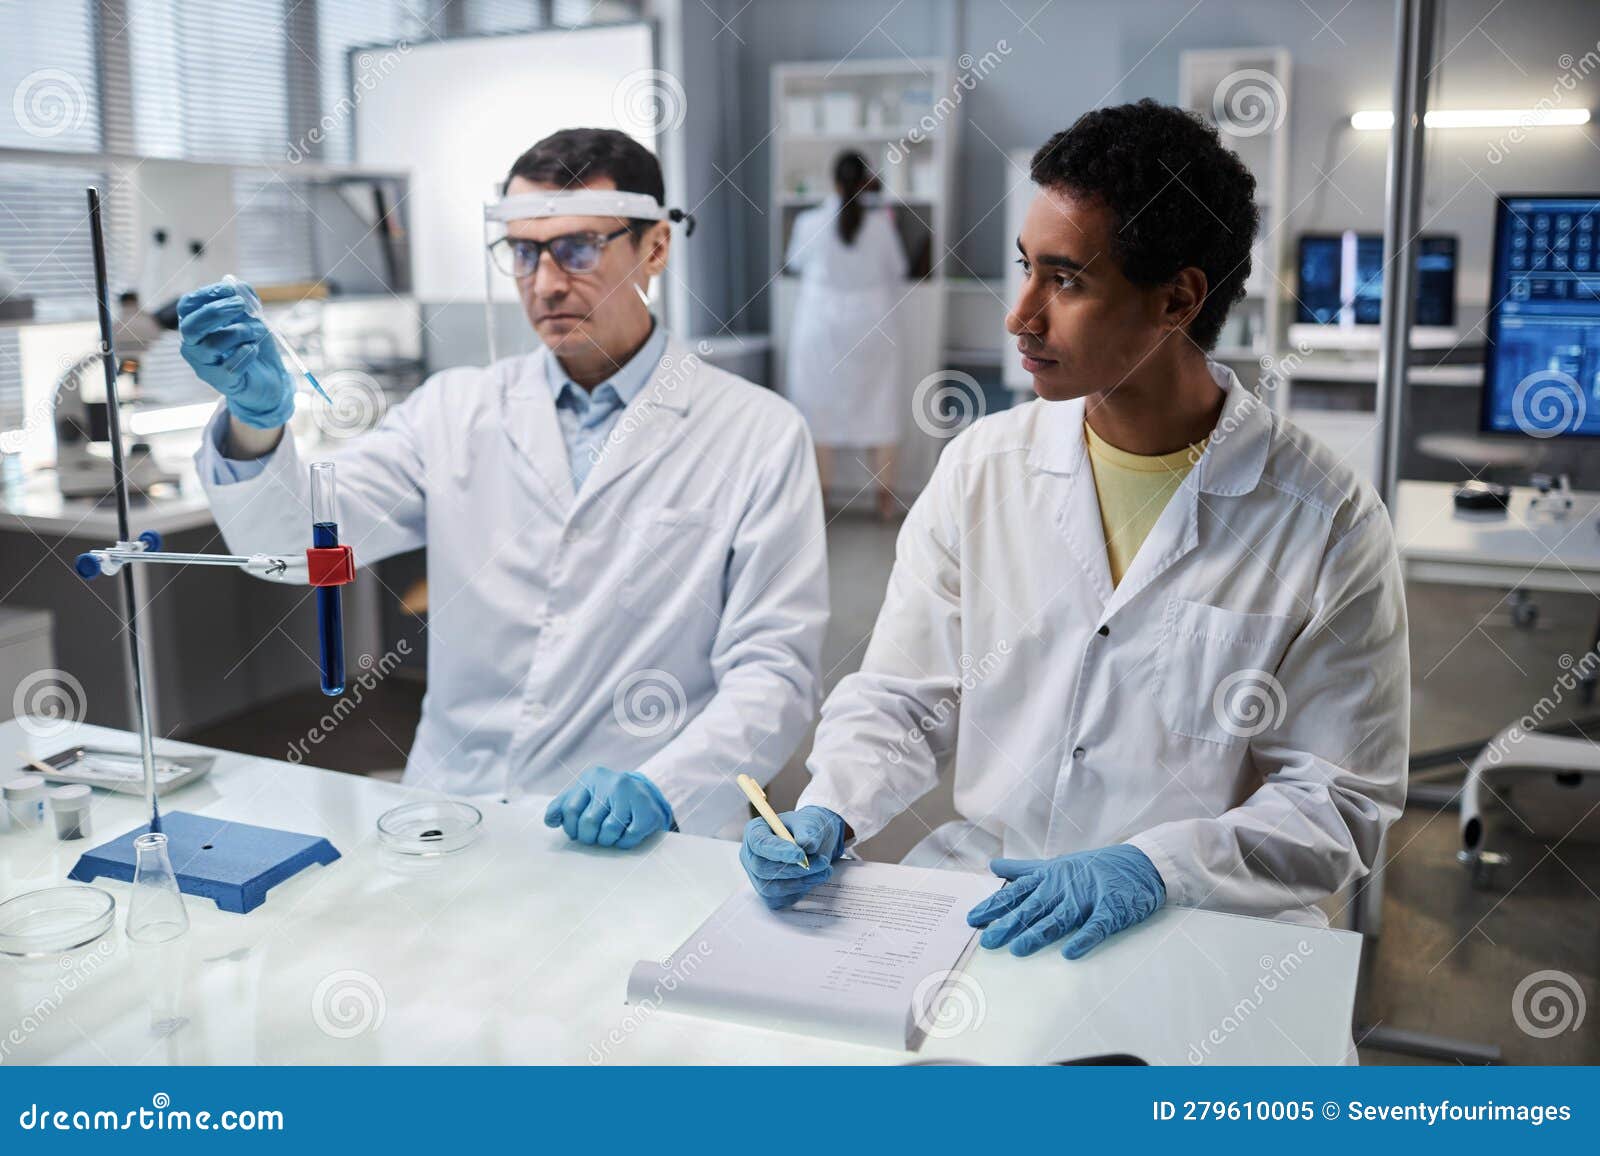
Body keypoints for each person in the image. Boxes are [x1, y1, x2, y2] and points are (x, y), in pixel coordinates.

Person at [741, 100, 1409, 960]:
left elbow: (1338, 799)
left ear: (1177, 298)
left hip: (1202, 932)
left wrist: (1153, 869)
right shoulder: (983, 468)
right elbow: (907, 693)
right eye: (1024, 267)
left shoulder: (1327, 521)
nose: (1019, 315)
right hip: (989, 901)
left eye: (1064, 280)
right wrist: (833, 802)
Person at [177, 128, 828, 847]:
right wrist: (255, 422)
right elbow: (288, 548)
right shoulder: (453, 409)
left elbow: (775, 671)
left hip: (652, 835)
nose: (546, 283)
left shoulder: (757, 432)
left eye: (578, 249)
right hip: (455, 815)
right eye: (523, 252)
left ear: (655, 249)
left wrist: (664, 785)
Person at [785, 151, 909, 520]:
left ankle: (820, 501)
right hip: (872, 327)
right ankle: (885, 503)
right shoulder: (882, 224)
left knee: (817, 410)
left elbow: (793, 263)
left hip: (820, 327)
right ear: (864, 181)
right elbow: (898, 269)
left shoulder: (809, 221)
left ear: (834, 181)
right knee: (880, 406)